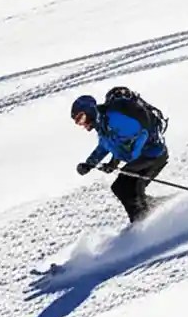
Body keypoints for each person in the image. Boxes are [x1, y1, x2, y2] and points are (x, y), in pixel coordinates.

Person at [71, 93, 169, 223]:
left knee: (122, 187)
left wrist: (126, 158)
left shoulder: (114, 117)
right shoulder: (102, 127)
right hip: (143, 158)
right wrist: (89, 164)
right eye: (78, 122)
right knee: (128, 190)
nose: (82, 124)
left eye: (81, 118)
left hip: (153, 154)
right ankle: (163, 209)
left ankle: (143, 223)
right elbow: (104, 147)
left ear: (90, 111)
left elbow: (142, 133)